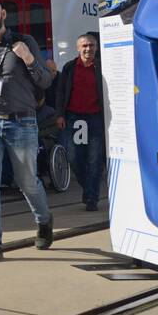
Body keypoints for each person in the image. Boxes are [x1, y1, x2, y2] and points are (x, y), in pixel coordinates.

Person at [0, 0, 55, 261]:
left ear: (3, 14)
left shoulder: (24, 42)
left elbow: (46, 81)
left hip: (23, 121)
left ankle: (44, 220)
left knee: (27, 182)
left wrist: (29, 59)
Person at [56, 34, 106, 213]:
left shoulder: (102, 67)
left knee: (94, 160)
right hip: (75, 119)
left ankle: (92, 197)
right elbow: (61, 93)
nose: (88, 49)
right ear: (78, 48)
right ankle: (88, 189)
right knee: (75, 158)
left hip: (95, 119)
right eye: (84, 45)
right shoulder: (69, 68)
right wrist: (60, 115)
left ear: (97, 48)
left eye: (91, 45)